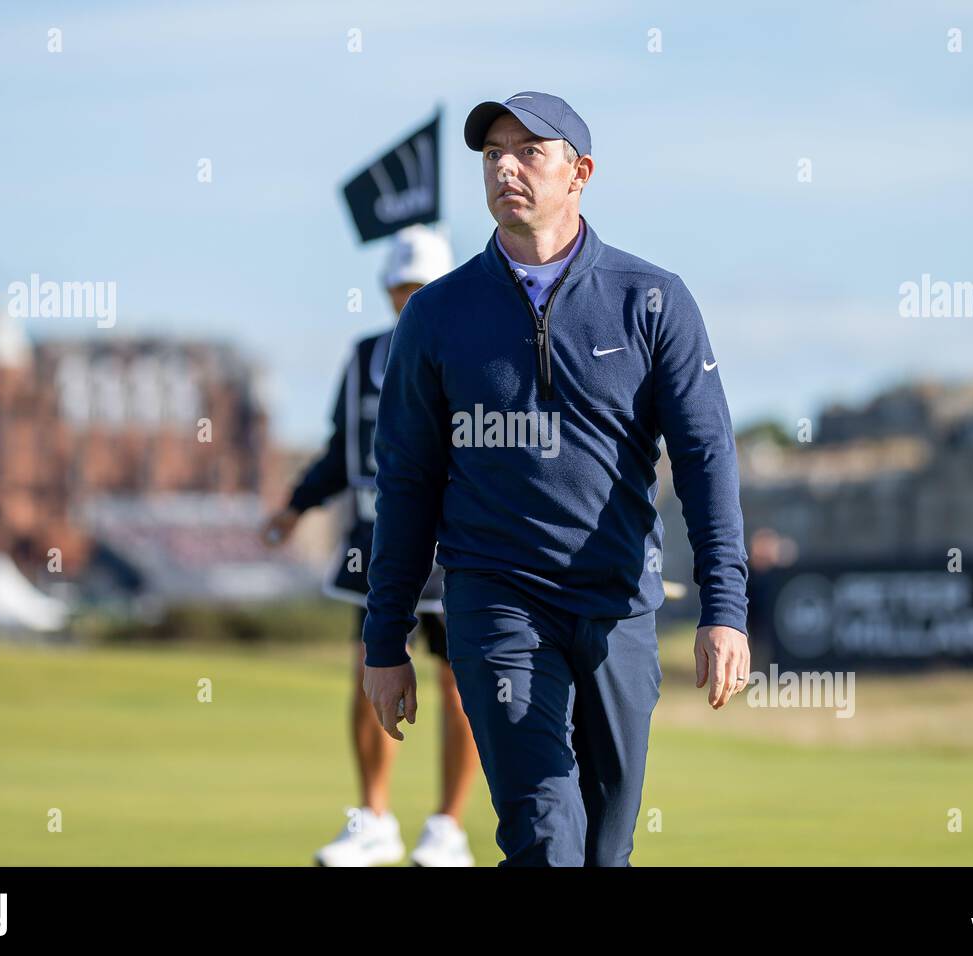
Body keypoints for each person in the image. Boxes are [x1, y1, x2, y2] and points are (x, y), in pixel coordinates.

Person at [360, 91, 752, 866]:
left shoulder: (652, 301)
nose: (506, 166)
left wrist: (726, 608)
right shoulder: (436, 316)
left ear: (580, 173)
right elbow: (405, 481)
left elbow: (706, 456)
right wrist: (385, 638)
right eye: (492, 154)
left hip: (618, 606)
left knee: (606, 848)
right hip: (496, 602)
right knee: (545, 836)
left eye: (529, 151)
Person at [262, 225, 478, 867]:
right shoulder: (363, 359)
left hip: (455, 546)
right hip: (374, 546)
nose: (411, 299)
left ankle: (447, 828)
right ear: (387, 290)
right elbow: (340, 449)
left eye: (423, 287)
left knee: (459, 681)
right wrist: (297, 504)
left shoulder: (470, 350)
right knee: (370, 671)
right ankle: (374, 817)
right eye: (402, 288)